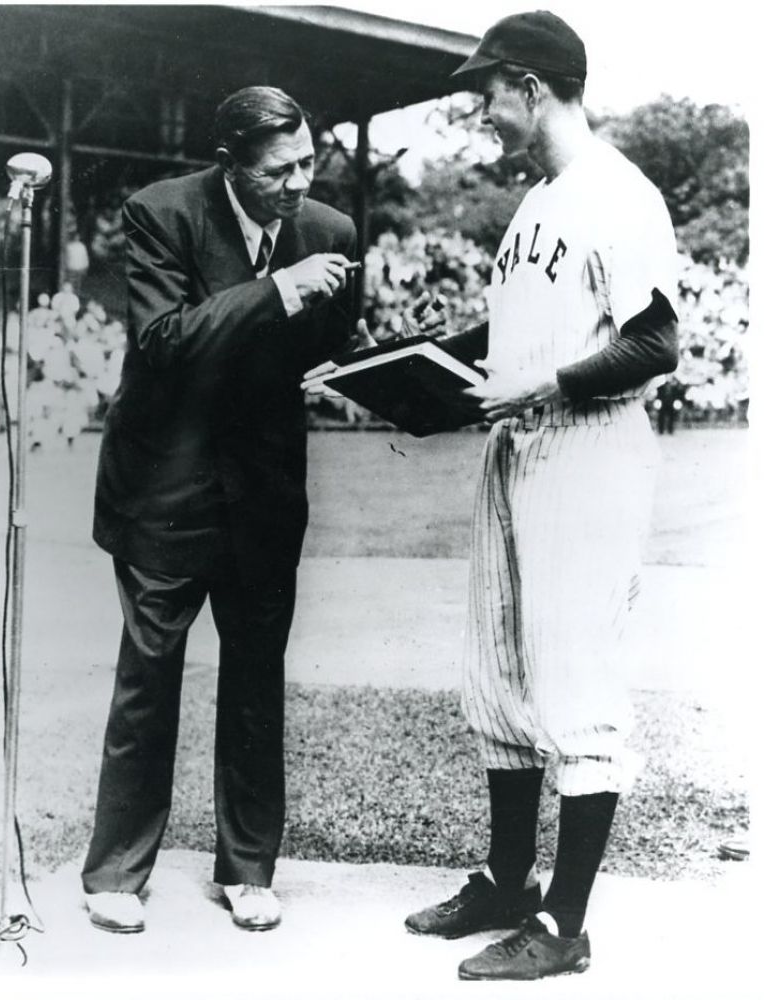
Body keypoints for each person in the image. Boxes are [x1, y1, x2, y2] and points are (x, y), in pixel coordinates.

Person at [399, 12, 680, 982]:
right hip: (517, 447)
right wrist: (409, 382)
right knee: (498, 671)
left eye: (487, 92)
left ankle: (562, 927)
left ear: (528, 85)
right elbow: (509, 338)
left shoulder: (618, 194)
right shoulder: (535, 206)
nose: (482, 111)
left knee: (575, 684)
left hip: (587, 450)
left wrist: (546, 386)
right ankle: (508, 880)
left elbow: (655, 342)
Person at [82, 85, 375, 936]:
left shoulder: (330, 232)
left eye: (307, 164)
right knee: (148, 679)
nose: (297, 185)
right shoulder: (160, 214)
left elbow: (334, 346)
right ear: (231, 165)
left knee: (255, 681)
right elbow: (164, 341)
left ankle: (249, 870)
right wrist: (278, 290)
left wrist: (380, 362)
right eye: (278, 171)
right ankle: (115, 873)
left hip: (264, 496)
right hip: (163, 493)